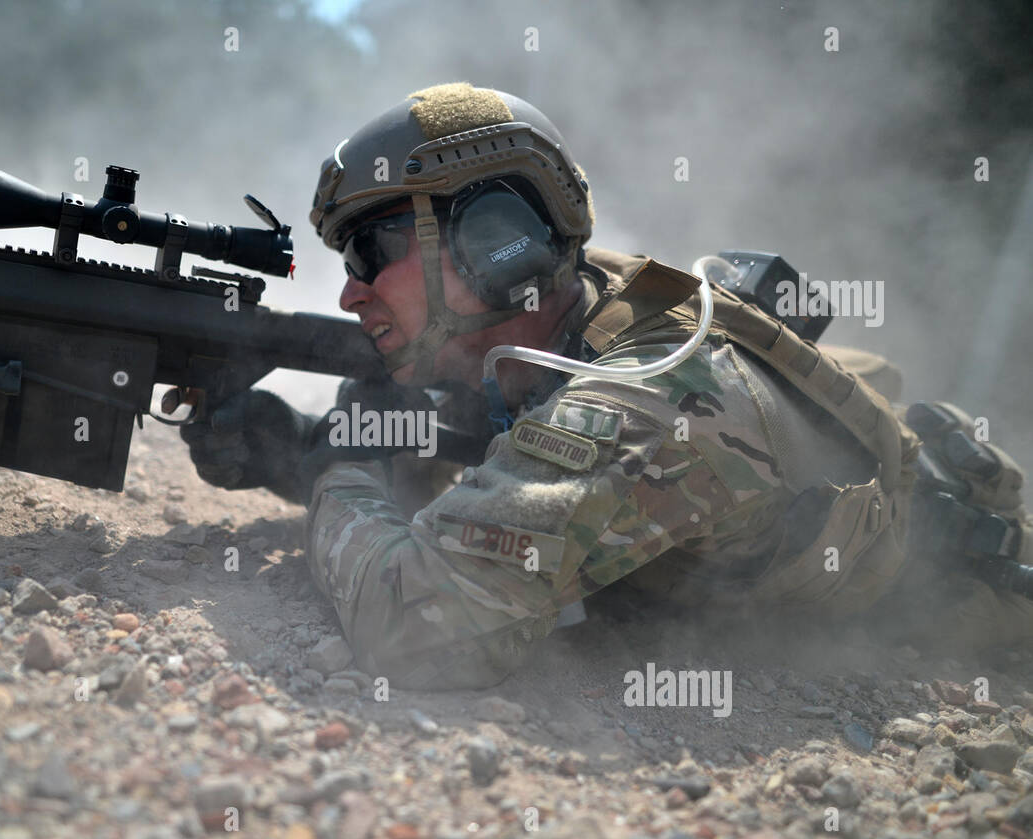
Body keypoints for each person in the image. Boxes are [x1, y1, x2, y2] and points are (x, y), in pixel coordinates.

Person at [182, 82, 1032, 690]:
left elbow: (427, 625)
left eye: (370, 252)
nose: (349, 292)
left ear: (495, 243)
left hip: (970, 583)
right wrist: (290, 451)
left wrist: (334, 466)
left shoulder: (644, 395)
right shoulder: (556, 317)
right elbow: (478, 442)